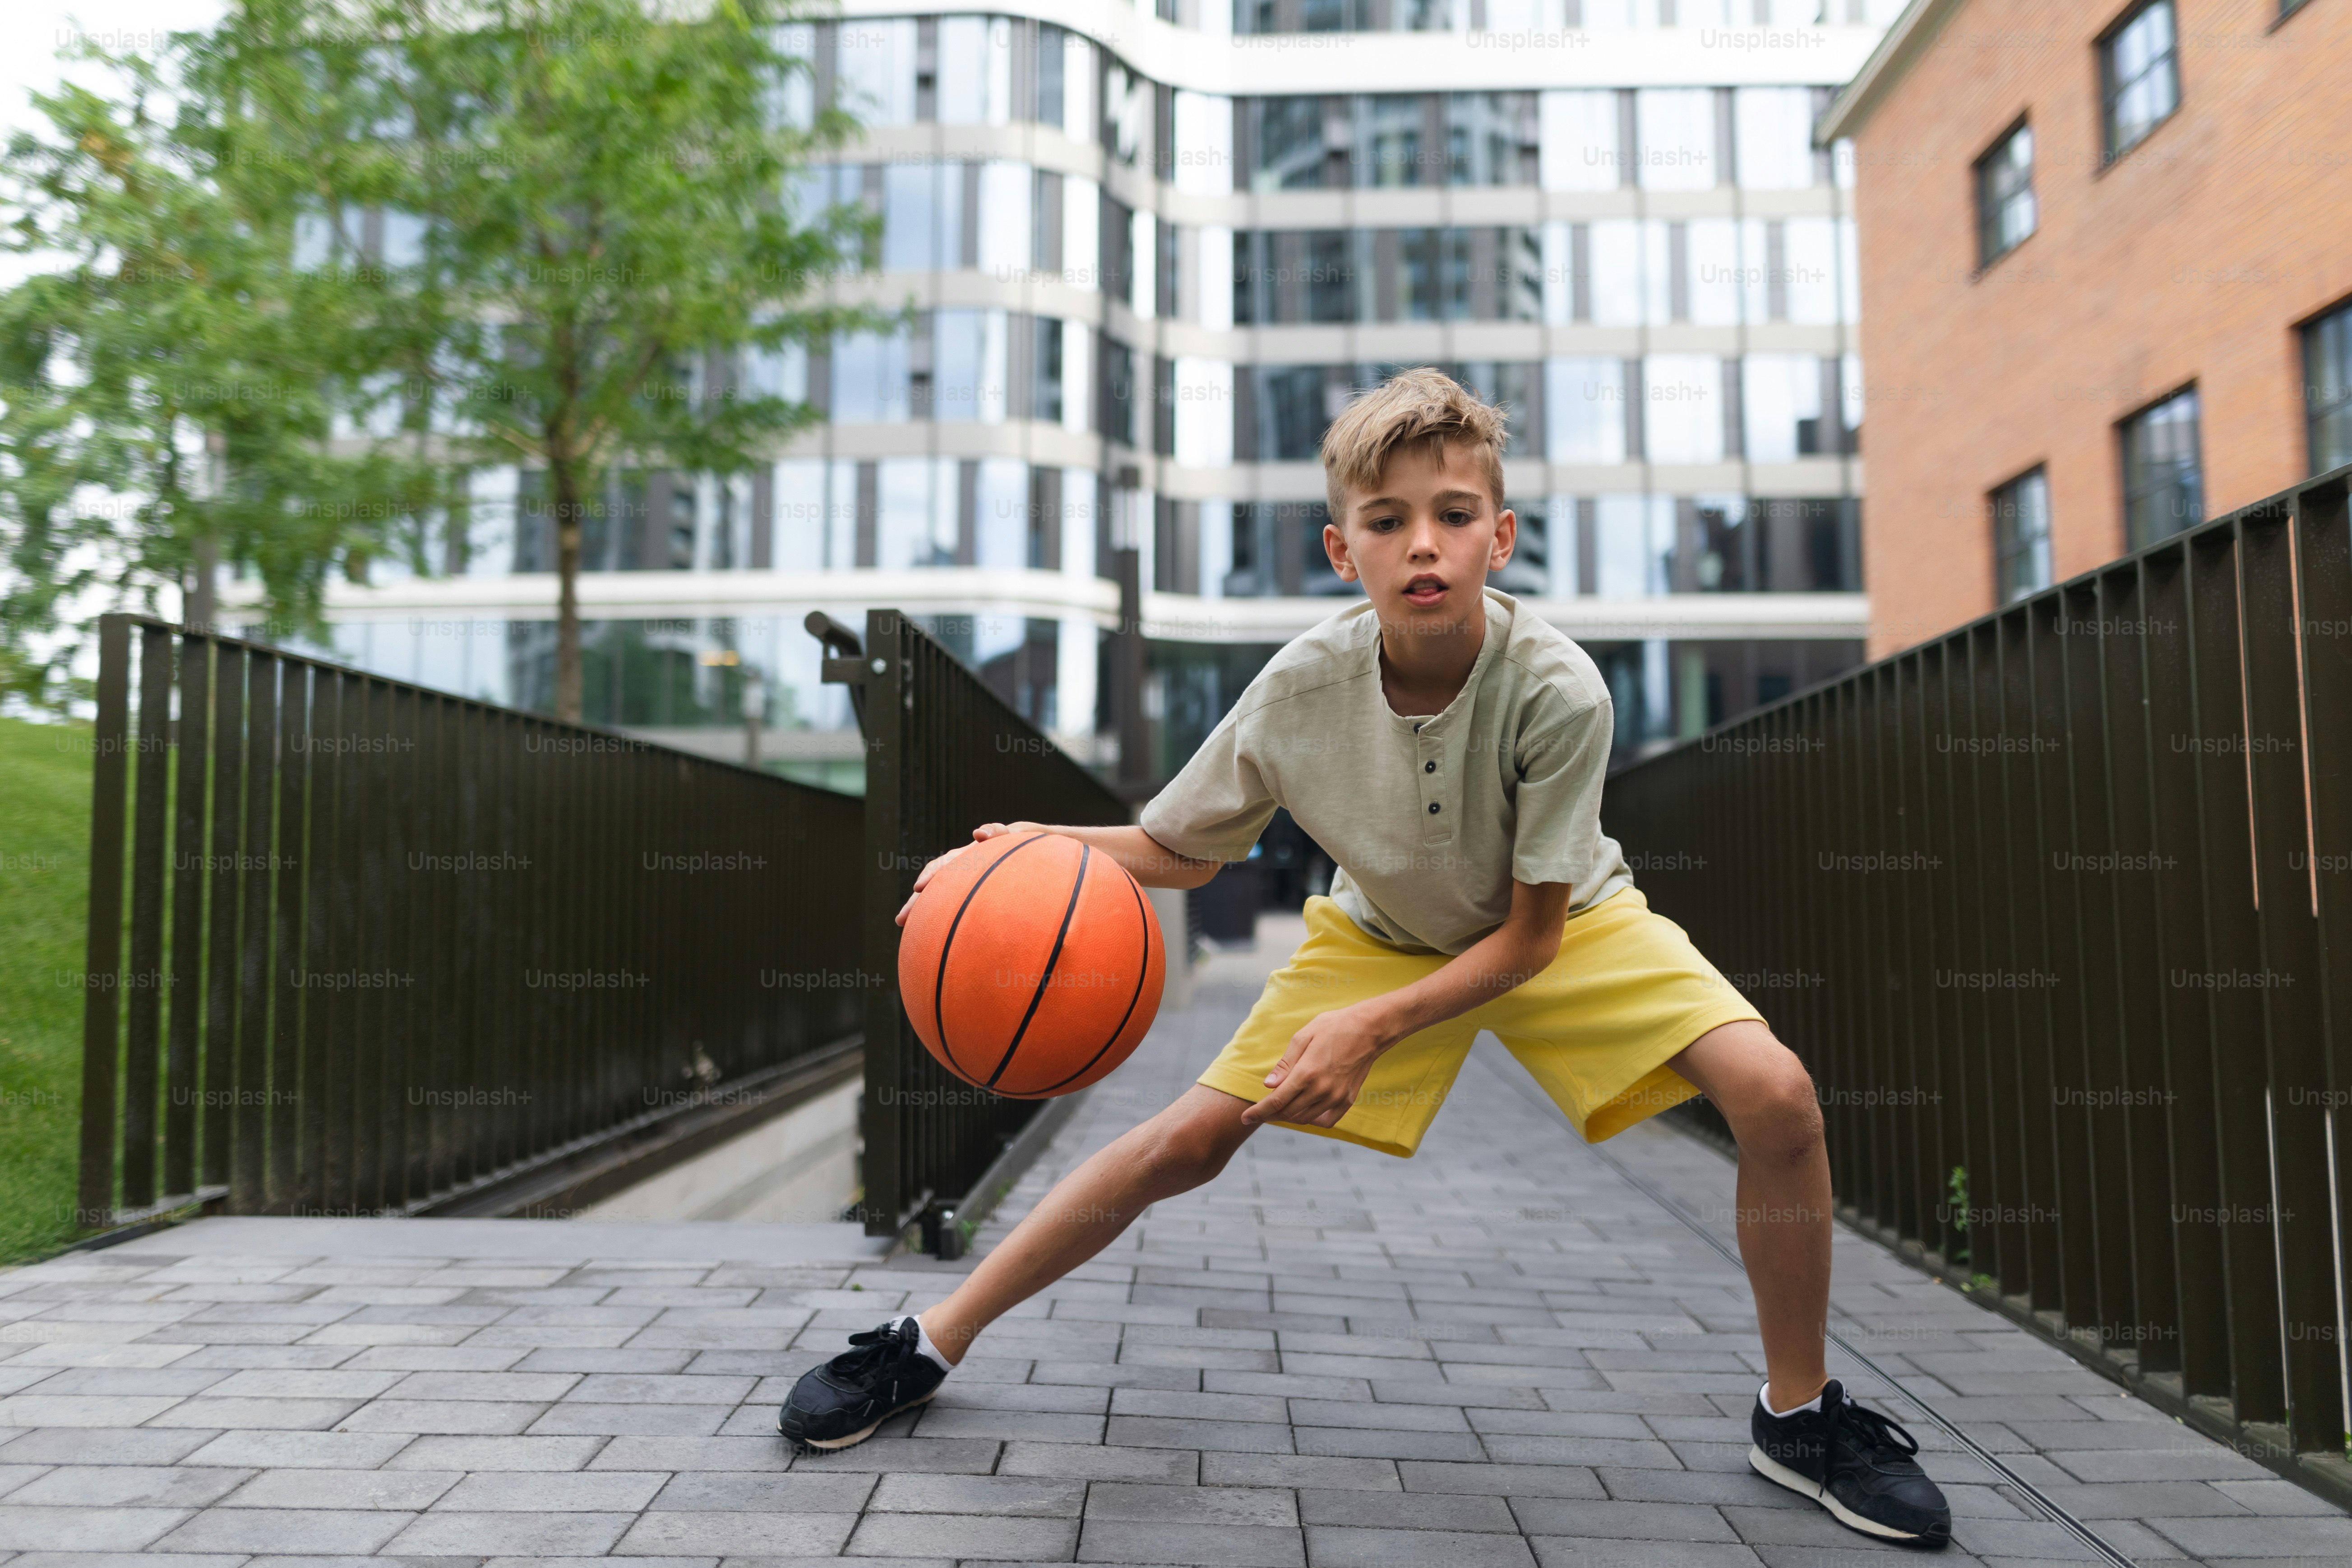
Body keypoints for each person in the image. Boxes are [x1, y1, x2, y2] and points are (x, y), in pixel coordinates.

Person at [776, 368, 1951, 1550]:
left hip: (1569, 926)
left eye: (1450, 514)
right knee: (1186, 1137)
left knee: (1779, 1094)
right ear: (1345, 552)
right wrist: (1037, 843)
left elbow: (1532, 940)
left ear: (1500, 537)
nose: (1422, 544)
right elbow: (1178, 852)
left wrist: (1371, 1028)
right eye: (1387, 522)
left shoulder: (1559, 690)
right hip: (1383, 934)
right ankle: (927, 1341)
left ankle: (1798, 1412)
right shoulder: (1297, 689)